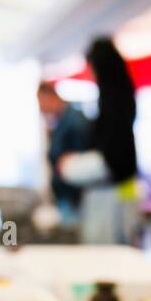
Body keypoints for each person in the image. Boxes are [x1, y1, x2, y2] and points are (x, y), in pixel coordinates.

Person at [58, 37, 141, 244]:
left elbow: (111, 159)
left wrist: (70, 166)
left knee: (108, 253)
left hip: (111, 196)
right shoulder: (120, 95)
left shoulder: (113, 100)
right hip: (118, 190)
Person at [36, 81, 92, 219]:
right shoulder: (60, 121)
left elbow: (81, 156)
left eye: (40, 102)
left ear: (49, 97)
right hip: (66, 196)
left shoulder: (74, 120)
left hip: (74, 198)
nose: (41, 108)